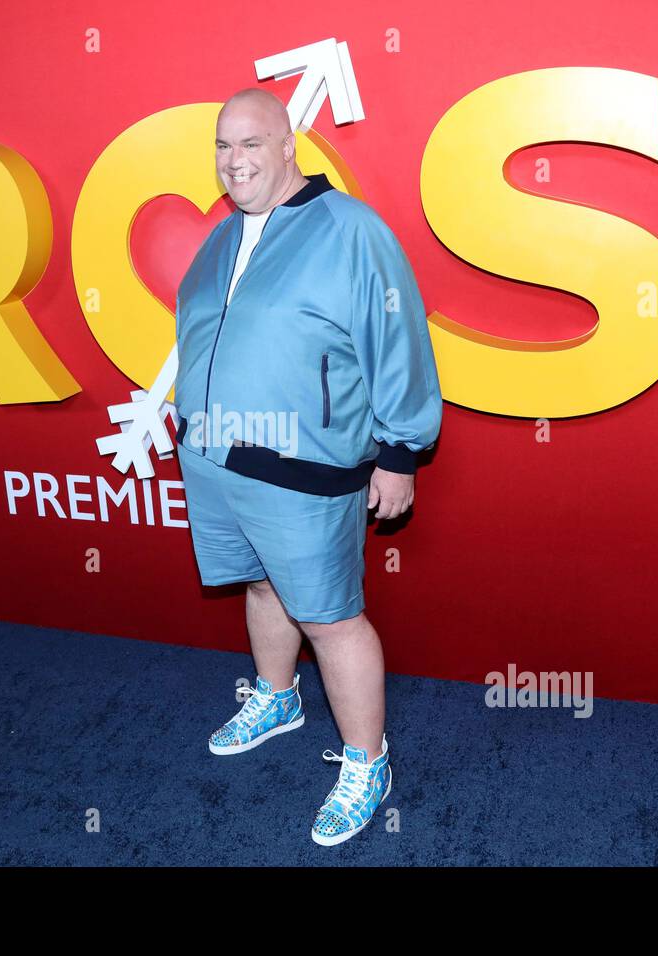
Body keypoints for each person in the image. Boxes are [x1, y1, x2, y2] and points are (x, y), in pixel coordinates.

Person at [173, 88, 442, 846]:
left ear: (289, 145)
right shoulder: (224, 236)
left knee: (330, 616)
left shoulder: (349, 230)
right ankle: (277, 697)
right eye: (224, 147)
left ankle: (368, 761)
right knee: (260, 586)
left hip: (309, 471)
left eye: (251, 143)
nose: (235, 160)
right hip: (219, 458)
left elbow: (399, 344)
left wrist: (400, 452)